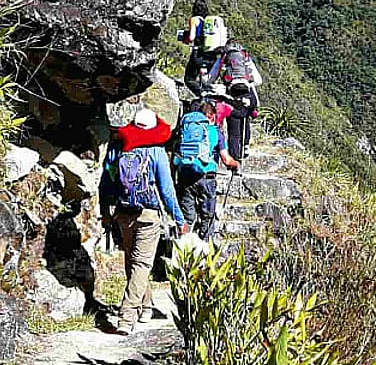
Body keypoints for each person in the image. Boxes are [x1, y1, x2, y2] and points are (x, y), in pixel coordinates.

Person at [100, 108, 188, 334]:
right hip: (148, 215)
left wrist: (105, 212)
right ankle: (127, 318)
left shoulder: (117, 148)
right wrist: (179, 219)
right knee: (141, 264)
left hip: (123, 212)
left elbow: (106, 181)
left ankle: (146, 307)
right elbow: (167, 191)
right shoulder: (157, 152)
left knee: (134, 261)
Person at [173, 100, 240, 241]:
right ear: (211, 115)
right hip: (206, 178)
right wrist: (236, 164)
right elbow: (226, 160)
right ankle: (205, 250)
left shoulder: (186, 130)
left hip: (185, 176)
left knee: (187, 217)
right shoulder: (215, 132)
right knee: (207, 217)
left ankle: (183, 248)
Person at [216, 42, 263, 161]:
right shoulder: (245, 58)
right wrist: (248, 82)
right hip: (247, 93)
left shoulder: (224, 57)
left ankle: (234, 159)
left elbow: (213, 76)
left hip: (232, 93)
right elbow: (258, 80)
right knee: (246, 117)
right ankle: (246, 145)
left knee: (233, 130)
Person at [181, 0, 227, 95]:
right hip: (211, 55)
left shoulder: (194, 19)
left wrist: (185, 38)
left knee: (189, 79)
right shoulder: (208, 22)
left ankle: (203, 94)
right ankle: (209, 96)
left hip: (198, 54)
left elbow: (192, 37)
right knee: (206, 80)